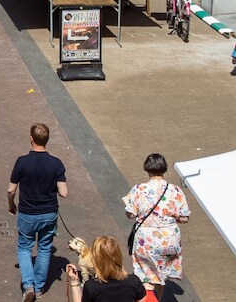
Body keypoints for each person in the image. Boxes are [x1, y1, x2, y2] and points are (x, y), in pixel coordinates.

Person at [8, 123, 69, 301]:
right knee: (44, 248)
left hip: (27, 213)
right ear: (47, 140)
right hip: (49, 213)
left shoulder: (22, 162)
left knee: (24, 247)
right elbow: (64, 192)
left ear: (31, 139)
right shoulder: (56, 163)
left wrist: (11, 204)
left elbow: (11, 190)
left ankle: (28, 286)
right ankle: (39, 287)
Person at [123, 153, 191, 300]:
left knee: (146, 275)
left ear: (147, 168)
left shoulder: (139, 189)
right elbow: (185, 218)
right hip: (169, 240)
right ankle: (157, 299)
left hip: (146, 240)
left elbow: (130, 214)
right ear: (164, 168)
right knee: (160, 277)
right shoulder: (175, 190)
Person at [64, 237, 147, 302]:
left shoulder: (91, 287)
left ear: (95, 260)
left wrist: (74, 282)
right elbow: (142, 300)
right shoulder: (134, 281)